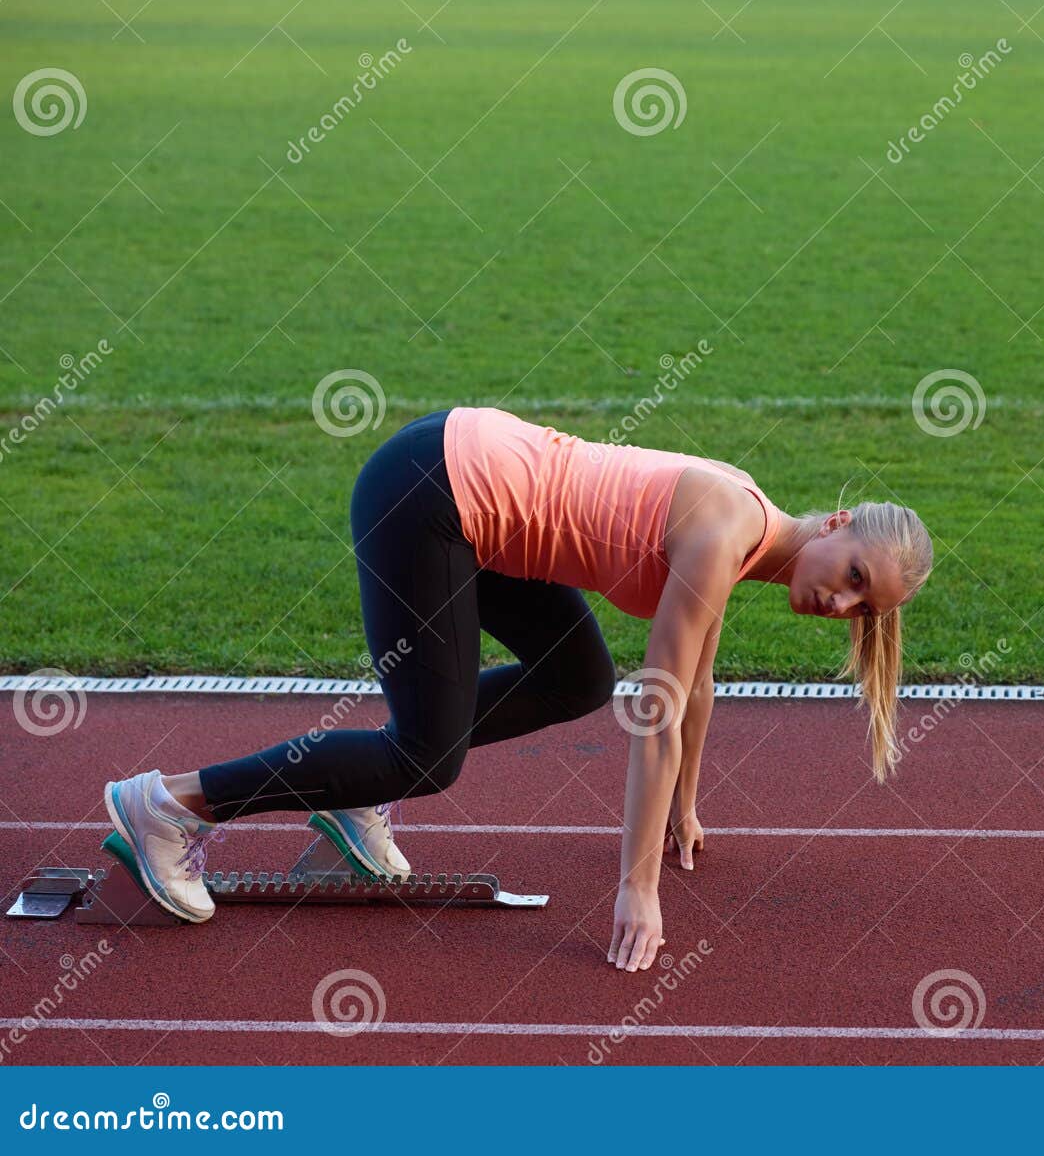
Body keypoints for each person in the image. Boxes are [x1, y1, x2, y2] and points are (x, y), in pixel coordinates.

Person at [101, 406, 932, 970]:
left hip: (473, 502)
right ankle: (171, 804)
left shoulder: (746, 530)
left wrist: (683, 807)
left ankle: (350, 793)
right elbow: (655, 716)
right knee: (425, 756)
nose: (842, 601)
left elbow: (697, 685)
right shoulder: (724, 536)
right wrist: (635, 886)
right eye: (854, 574)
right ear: (835, 523)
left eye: (863, 608)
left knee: (577, 676)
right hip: (429, 495)